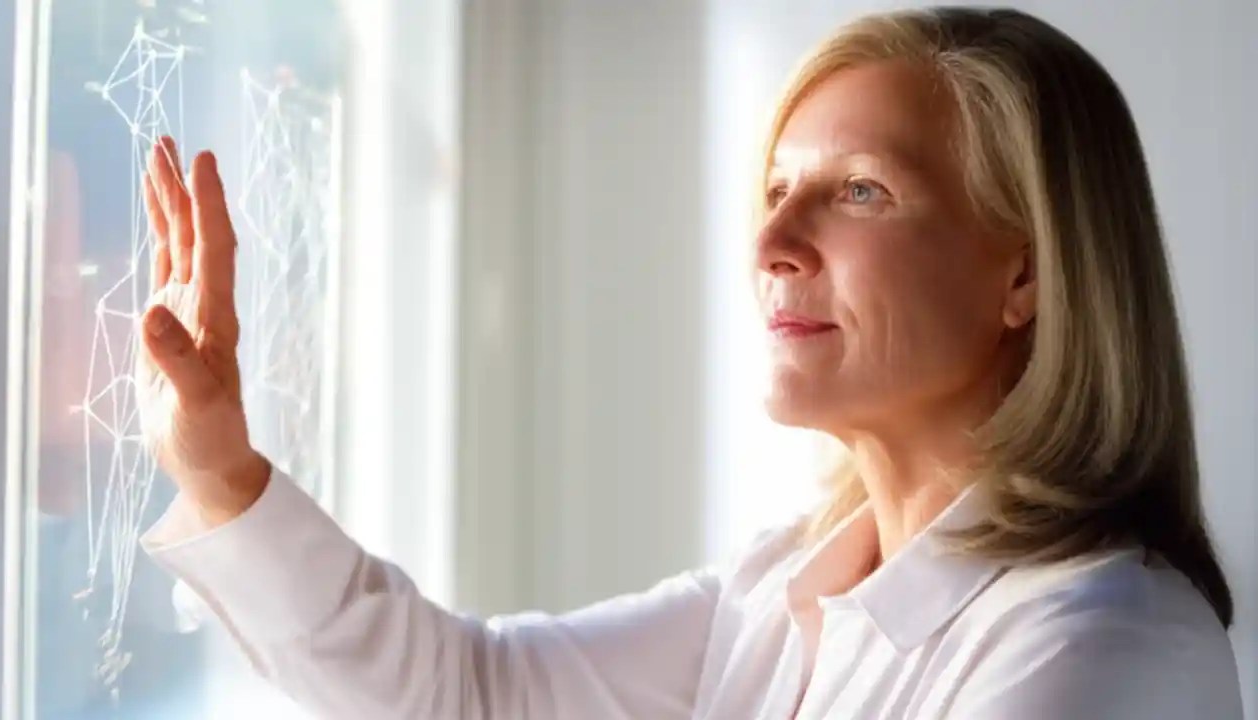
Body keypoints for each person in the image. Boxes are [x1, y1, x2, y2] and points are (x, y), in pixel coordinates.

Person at [135, 7, 1243, 719]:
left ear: (1026, 276)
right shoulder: (784, 588)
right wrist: (220, 468)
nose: (769, 244)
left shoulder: (1109, 655)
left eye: (858, 190)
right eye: (775, 192)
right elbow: (468, 694)